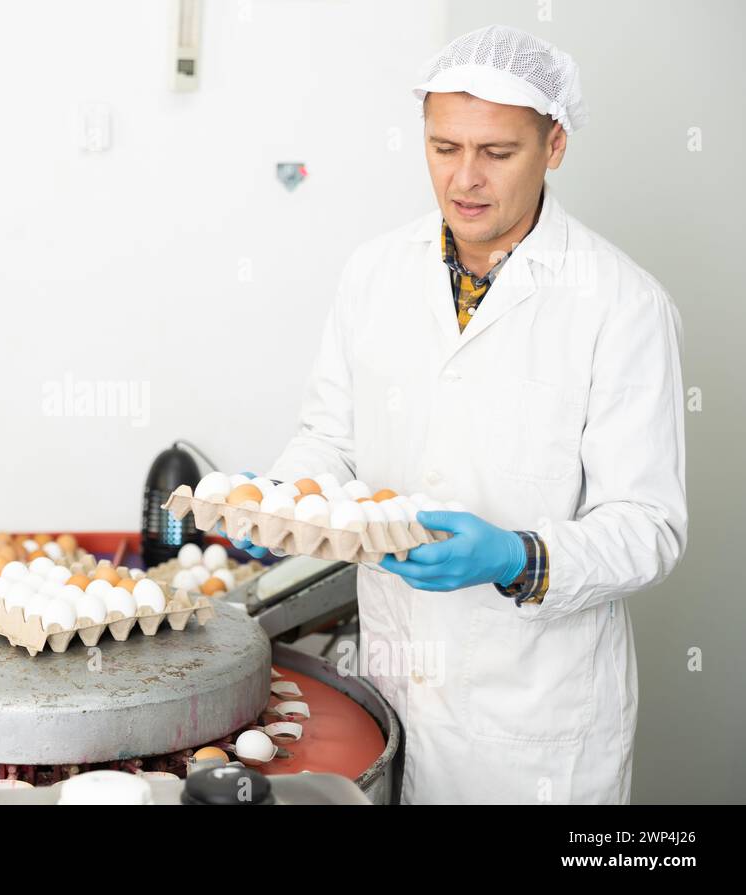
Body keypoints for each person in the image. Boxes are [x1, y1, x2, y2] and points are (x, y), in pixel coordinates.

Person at [230, 26, 687, 803]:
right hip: (394, 693)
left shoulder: (623, 304)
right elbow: (331, 438)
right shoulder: (374, 273)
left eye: (497, 153)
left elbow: (650, 526)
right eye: (444, 148)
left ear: (556, 146)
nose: (465, 178)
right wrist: (284, 498)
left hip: (534, 726)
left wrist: (516, 555)